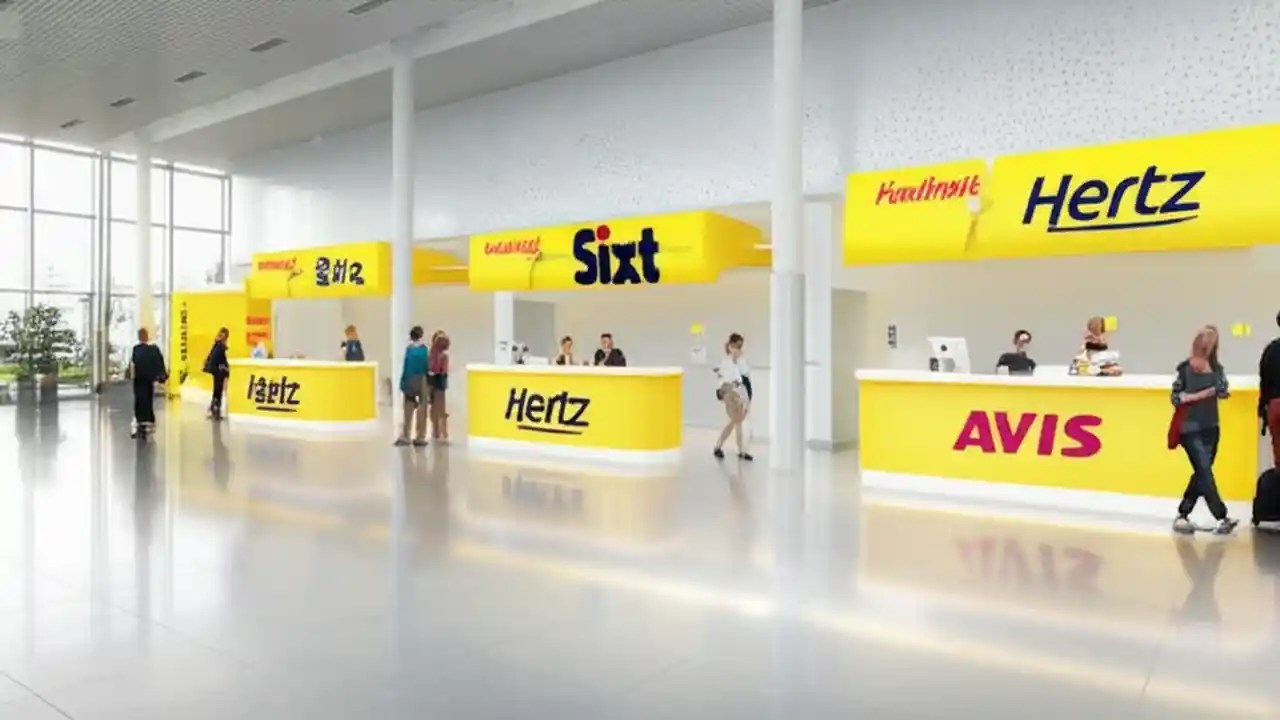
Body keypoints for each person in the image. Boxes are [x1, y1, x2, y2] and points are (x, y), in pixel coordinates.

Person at [1171, 326, 1238, 535]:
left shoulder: (1217, 368)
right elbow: (1176, 397)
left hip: (1211, 426)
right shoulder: (1184, 368)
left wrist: (1203, 393)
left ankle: (1183, 514)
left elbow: (1223, 390)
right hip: (1189, 428)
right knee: (1205, 471)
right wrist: (1203, 393)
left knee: (1202, 472)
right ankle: (1222, 516)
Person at [713, 334, 754, 462]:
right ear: (731, 346)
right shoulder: (726, 361)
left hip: (742, 391)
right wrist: (723, 393)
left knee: (736, 423)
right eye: (736, 345)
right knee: (735, 422)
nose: (738, 348)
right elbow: (723, 379)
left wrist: (745, 397)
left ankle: (730, 449)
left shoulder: (741, 360)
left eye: (740, 346)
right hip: (731, 392)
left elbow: (745, 375)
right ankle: (735, 450)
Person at [128, 328, 167, 438]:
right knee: (148, 398)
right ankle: (148, 420)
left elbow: (135, 362)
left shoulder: (136, 349)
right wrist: (160, 375)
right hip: (149, 379)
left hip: (139, 379)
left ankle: (141, 421)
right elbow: (159, 362)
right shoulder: (154, 349)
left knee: (140, 400)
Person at [396, 326, 429, 447]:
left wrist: (402, 382)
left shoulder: (409, 350)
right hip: (421, 379)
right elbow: (427, 365)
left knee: (408, 408)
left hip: (409, 378)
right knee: (422, 408)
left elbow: (406, 366)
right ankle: (420, 436)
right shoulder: (424, 350)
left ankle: (406, 435)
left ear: (411, 336)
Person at [1259, 311, 1280, 466]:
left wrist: (1261, 409)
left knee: (1278, 453)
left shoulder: (1271, 350)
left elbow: (1264, 381)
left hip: (1275, 405)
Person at [428, 330, 451, 442]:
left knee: (434, 409)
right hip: (440, 383)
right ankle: (444, 433)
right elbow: (444, 371)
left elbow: (429, 367)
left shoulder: (431, 353)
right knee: (441, 409)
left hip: (431, 382)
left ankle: (435, 432)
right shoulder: (444, 356)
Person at [203, 327, 230, 421]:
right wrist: (227, 370)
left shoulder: (216, 345)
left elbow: (213, 358)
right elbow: (221, 360)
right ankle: (215, 411)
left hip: (216, 371)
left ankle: (213, 410)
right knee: (218, 391)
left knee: (216, 391)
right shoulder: (220, 347)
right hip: (219, 372)